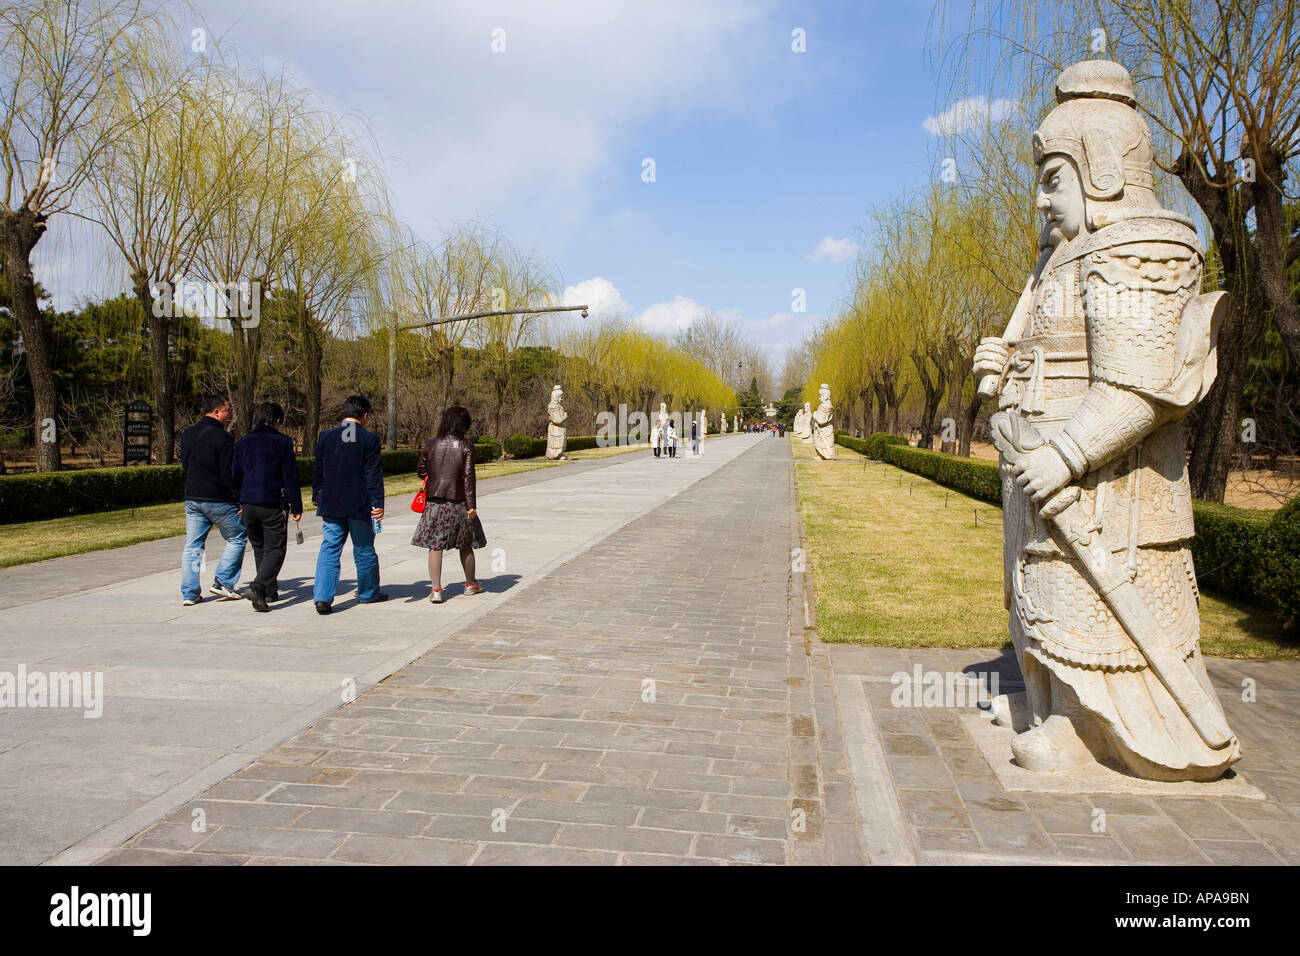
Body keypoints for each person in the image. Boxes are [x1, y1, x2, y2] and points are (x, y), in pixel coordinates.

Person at [311, 395, 386, 614]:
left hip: (332, 503)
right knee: (363, 549)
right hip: (359, 505)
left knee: (330, 548)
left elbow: (318, 469)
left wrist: (317, 492)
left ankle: (322, 598)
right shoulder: (369, 439)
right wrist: (377, 503)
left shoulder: (326, 437)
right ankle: (368, 593)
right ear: (364, 415)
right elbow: (373, 475)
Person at [233, 401, 303, 613]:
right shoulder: (282, 442)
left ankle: (269, 592)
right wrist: (297, 505)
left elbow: (235, 475)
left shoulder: (243, 442)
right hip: (272, 502)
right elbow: (290, 477)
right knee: (275, 550)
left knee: (260, 547)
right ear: (278, 420)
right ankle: (259, 587)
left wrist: (237, 500)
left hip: (248, 503)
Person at [412, 405, 487, 603]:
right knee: (466, 543)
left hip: (435, 502)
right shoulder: (466, 446)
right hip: (459, 502)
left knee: (435, 546)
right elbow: (468, 477)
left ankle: (436, 590)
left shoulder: (431, 443)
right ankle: (471, 584)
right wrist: (471, 505)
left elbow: (421, 470)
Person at [179, 394, 246, 605]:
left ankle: (190, 593)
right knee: (237, 537)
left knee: (194, 546)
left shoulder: (188, 434)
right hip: (218, 499)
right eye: (228, 411)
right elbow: (229, 473)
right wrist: (238, 499)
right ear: (217, 412)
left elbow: (185, 463)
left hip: (193, 496)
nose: (230, 415)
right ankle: (223, 582)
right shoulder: (223, 438)